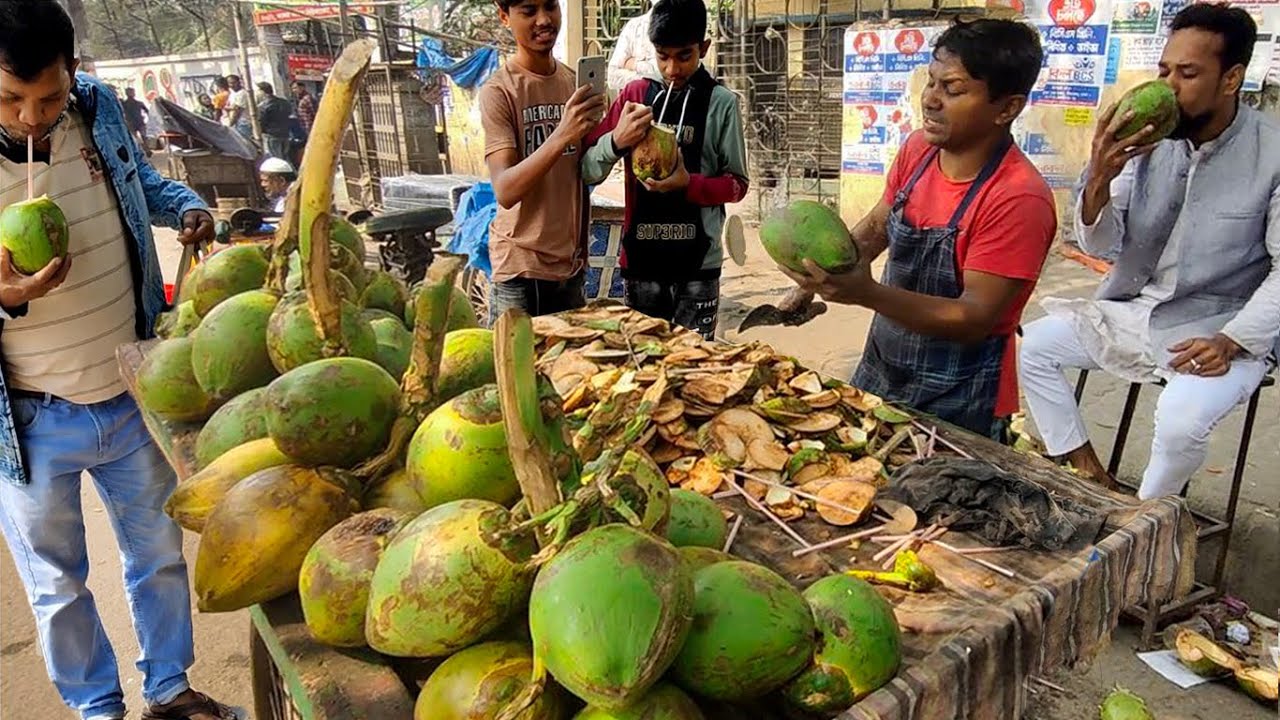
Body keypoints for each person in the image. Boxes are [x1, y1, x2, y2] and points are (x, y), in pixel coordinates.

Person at [0, 3, 234, 720]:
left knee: (159, 559)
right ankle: (98, 710)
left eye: (48, 97)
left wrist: (185, 203)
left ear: (72, 72)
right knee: (58, 587)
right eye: (10, 100)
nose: (32, 118)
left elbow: (139, 187)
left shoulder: (97, 111)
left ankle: (169, 691)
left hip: (134, 393)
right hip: (34, 416)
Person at [1019, 4, 1278, 499]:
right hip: (1139, 309)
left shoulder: (1273, 154)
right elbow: (1106, 243)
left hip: (1223, 327)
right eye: (1164, 70)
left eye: (1188, 73)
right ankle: (1091, 475)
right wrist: (1098, 178)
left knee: (1181, 420)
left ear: (1232, 79)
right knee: (1034, 347)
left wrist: (1232, 340)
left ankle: (1143, 520)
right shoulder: (1151, 141)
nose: (1170, 86)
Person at [781, 18, 1056, 440]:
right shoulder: (919, 150)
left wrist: (865, 294)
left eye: (953, 89)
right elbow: (877, 226)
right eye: (931, 82)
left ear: (1007, 108)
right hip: (882, 365)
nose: (930, 99)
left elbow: (973, 318)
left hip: (960, 394)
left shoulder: (1019, 198)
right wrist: (815, 279)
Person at [582, 0, 747, 339]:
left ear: (703, 48)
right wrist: (616, 140)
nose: (672, 68)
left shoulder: (722, 103)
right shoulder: (635, 94)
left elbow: (737, 185)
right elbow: (587, 169)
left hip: (699, 266)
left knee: (695, 370)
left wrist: (689, 184)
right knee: (644, 365)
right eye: (662, 56)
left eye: (684, 55)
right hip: (642, 262)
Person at [479, 0, 606, 320]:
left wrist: (619, 140)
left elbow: (586, 173)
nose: (544, 19)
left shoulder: (573, 83)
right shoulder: (499, 91)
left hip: (570, 269)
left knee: (570, 370)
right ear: (505, 16)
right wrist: (563, 133)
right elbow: (505, 190)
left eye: (550, 7)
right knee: (519, 370)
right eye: (529, 11)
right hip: (520, 270)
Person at [607, 0, 662, 93]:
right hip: (633, 104)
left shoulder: (689, 28)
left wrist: (635, 65)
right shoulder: (634, 26)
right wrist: (650, 83)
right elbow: (612, 77)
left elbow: (670, 77)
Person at [255, 81, 292, 160]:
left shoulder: (263, 106)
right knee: (286, 158)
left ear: (262, 91)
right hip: (285, 133)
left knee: (276, 159)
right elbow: (289, 114)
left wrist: (260, 131)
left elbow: (261, 121)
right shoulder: (284, 102)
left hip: (272, 135)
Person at [121, 86, 151, 157]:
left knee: (142, 137)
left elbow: (147, 111)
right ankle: (143, 151)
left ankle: (145, 150)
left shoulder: (136, 103)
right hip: (134, 123)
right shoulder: (125, 104)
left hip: (138, 123)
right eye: (130, 92)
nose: (132, 94)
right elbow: (147, 111)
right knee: (137, 138)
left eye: (132, 92)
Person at [223, 74, 251, 140]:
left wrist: (230, 124)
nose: (232, 85)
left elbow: (237, 111)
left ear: (239, 82)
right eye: (230, 83)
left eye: (234, 82)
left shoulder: (242, 93)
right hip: (237, 122)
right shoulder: (233, 94)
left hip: (244, 122)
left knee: (245, 144)